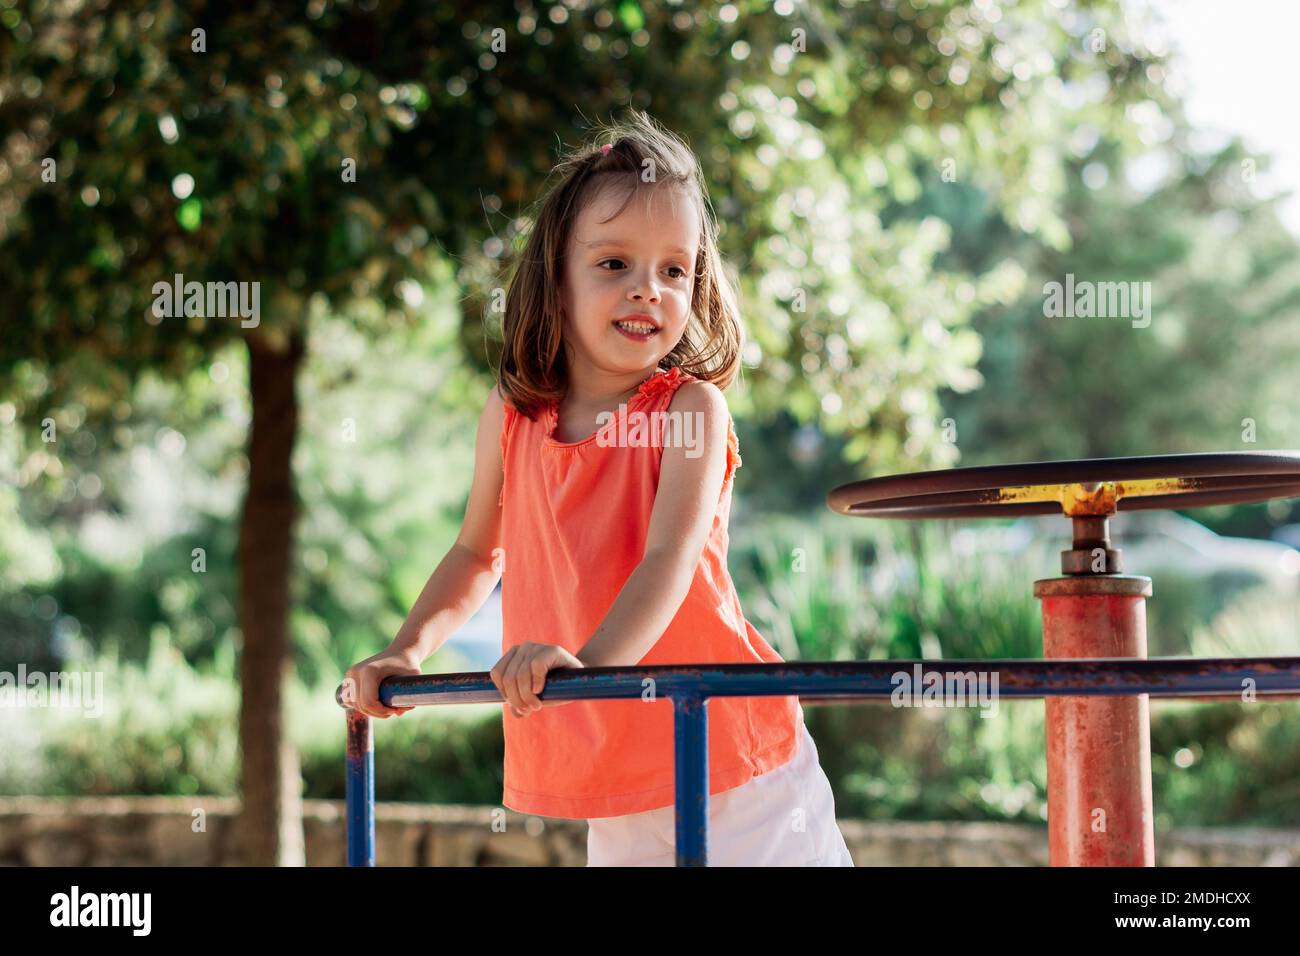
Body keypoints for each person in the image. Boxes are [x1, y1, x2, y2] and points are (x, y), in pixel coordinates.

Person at [346, 109, 853, 867]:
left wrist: (587, 668)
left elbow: (669, 562)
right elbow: (476, 552)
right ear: (556, 278)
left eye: (674, 270)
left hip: (730, 760)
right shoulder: (514, 418)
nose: (648, 290)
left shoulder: (690, 409)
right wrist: (405, 651)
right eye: (614, 264)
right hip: (615, 770)